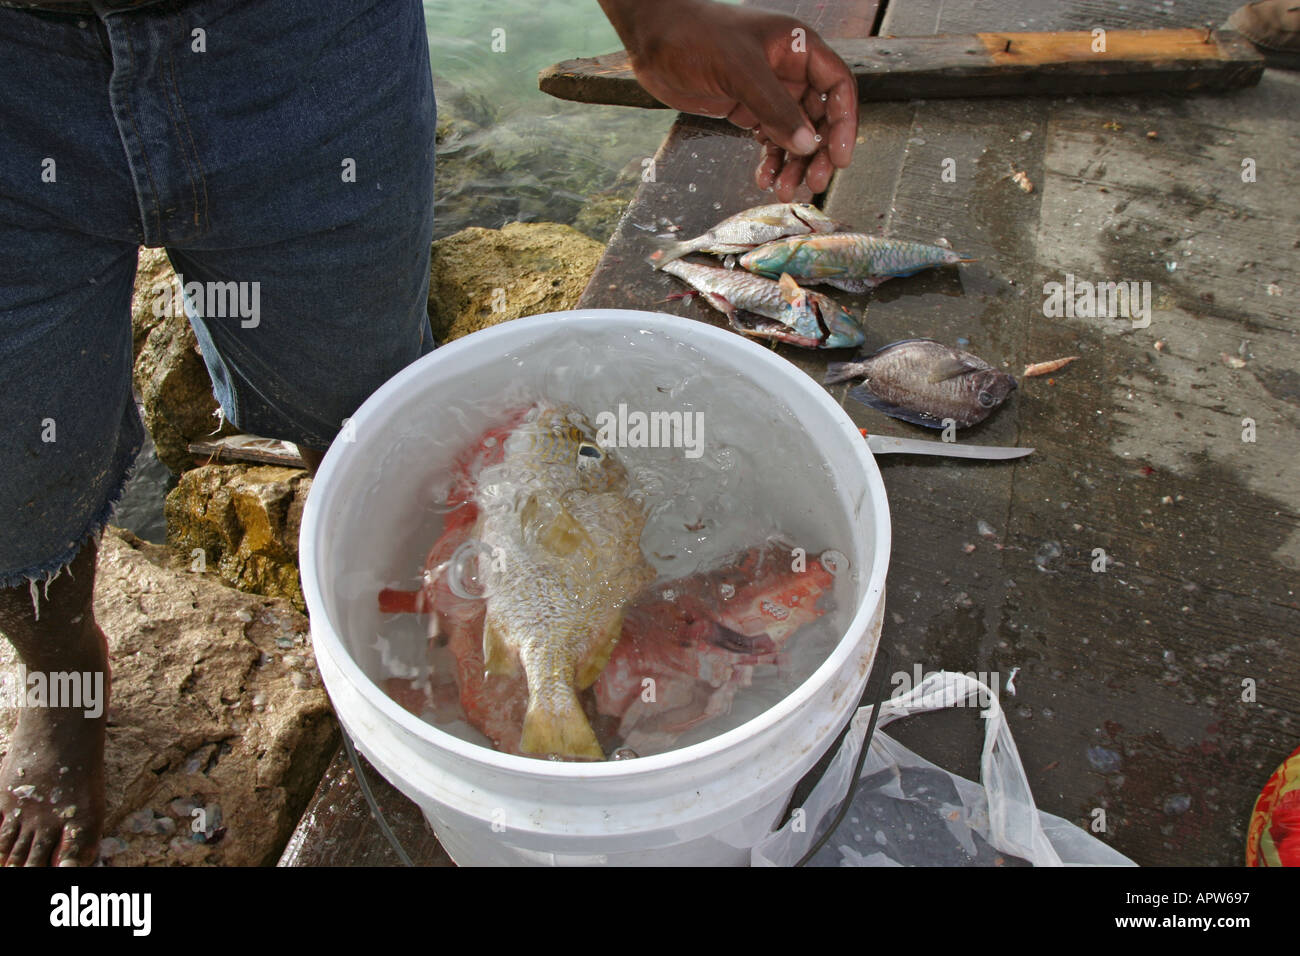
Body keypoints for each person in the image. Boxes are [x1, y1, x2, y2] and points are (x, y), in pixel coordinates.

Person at [0, 0, 856, 866]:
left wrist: (652, 15)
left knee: (352, 406)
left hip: (301, 38)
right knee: (11, 464)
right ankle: (61, 660)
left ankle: (409, 634)